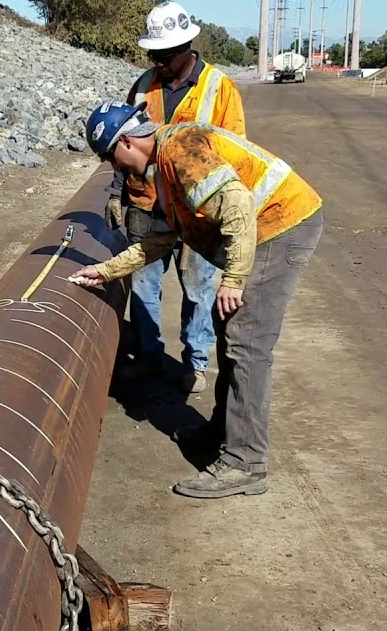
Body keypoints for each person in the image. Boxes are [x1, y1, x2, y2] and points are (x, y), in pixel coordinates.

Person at [72, 101, 323, 499]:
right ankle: (222, 433)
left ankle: (245, 463)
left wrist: (234, 280)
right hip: (266, 227)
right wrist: (104, 271)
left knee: (246, 342)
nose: (117, 170)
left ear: (124, 146)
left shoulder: (180, 151)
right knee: (230, 331)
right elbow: (159, 243)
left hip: (282, 224)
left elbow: (238, 206)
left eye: (111, 160)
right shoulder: (165, 171)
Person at [107, 1, 248, 397]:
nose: (158, 61)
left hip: (195, 211)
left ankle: (195, 364)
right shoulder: (142, 86)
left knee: (198, 289)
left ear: (187, 46)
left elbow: (233, 153)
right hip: (147, 204)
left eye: (165, 54)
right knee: (143, 285)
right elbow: (126, 144)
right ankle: (150, 357)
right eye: (153, 54)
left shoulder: (220, 89)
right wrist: (119, 192)